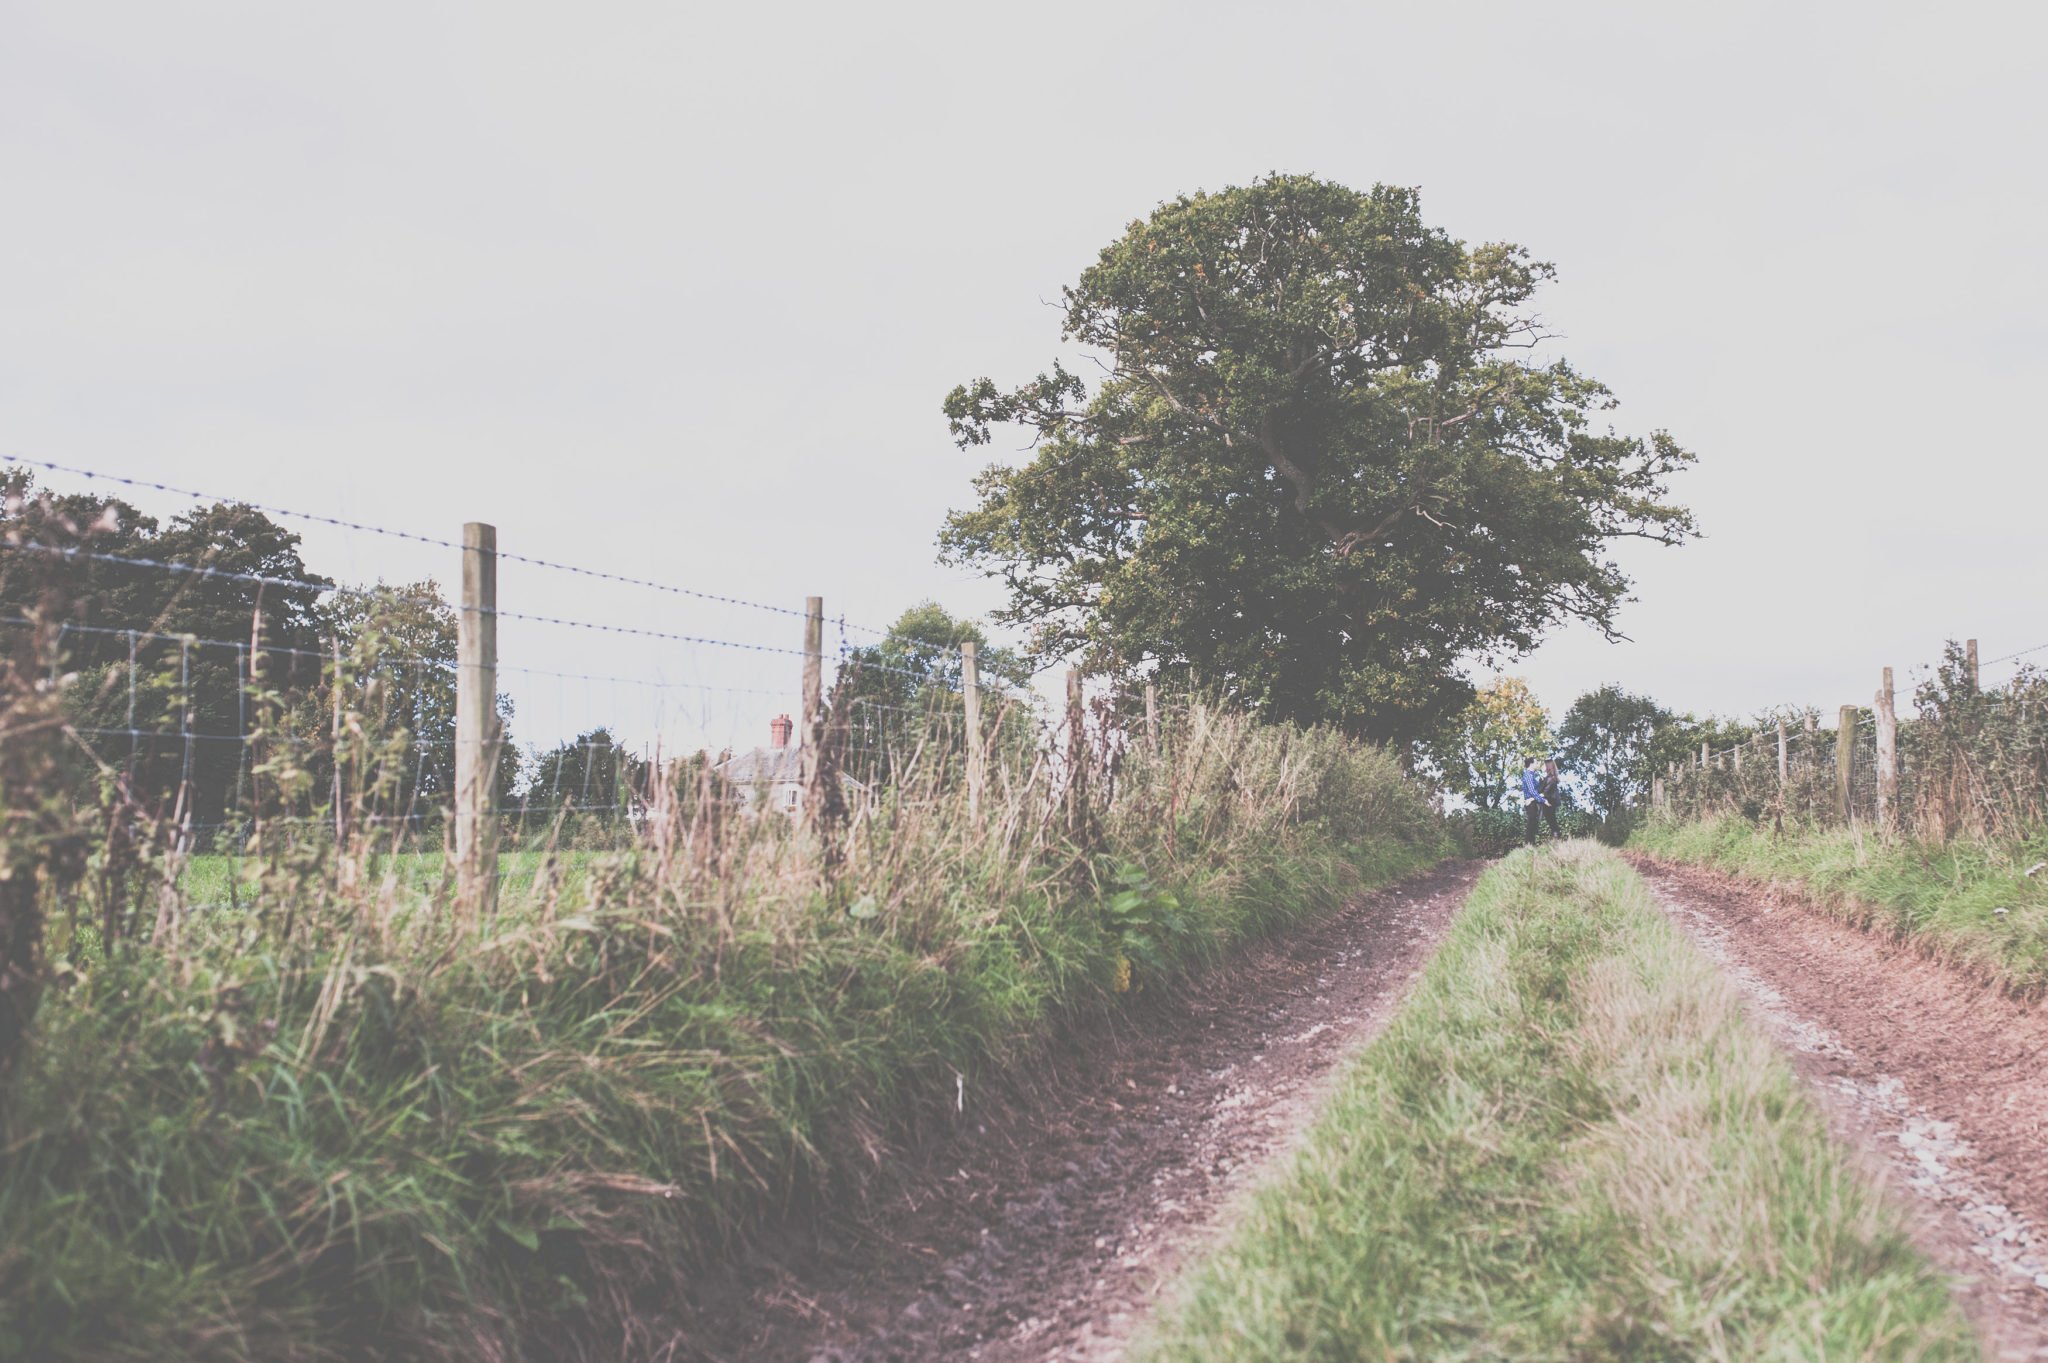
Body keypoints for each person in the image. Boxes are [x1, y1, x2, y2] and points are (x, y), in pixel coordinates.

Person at [1520, 755, 1549, 845]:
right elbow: (1532, 791)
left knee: (1534, 824)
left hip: (1533, 801)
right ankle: (1528, 844)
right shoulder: (1528, 775)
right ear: (1531, 764)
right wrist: (1543, 800)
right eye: (1536, 763)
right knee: (1531, 823)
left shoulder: (1534, 775)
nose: (1537, 764)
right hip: (1530, 803)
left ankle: (1531, 844)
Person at [1540, 758, 1563, 839]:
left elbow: (1546, 790)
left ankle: (1556, 836)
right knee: (1551, 820)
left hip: (1550, 800)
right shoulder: (1548, 777)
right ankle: (1556, 836)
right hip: (1549, 800)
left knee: (1551, 820)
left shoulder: (1551, 778)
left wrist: (1542, 795)